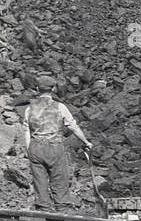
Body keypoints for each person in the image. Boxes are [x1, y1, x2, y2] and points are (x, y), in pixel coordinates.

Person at [22, 76, 91, 213]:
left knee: (39, 181)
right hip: (54, 146)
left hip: (35, 146)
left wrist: (29, 149)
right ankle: (62, 209)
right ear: (53, 89)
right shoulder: (60, 107)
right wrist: (85, 142)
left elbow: (26, 131)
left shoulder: (29, 109)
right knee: (59, 178)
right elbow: (73, 126)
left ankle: (43, 208)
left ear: (37, 89)